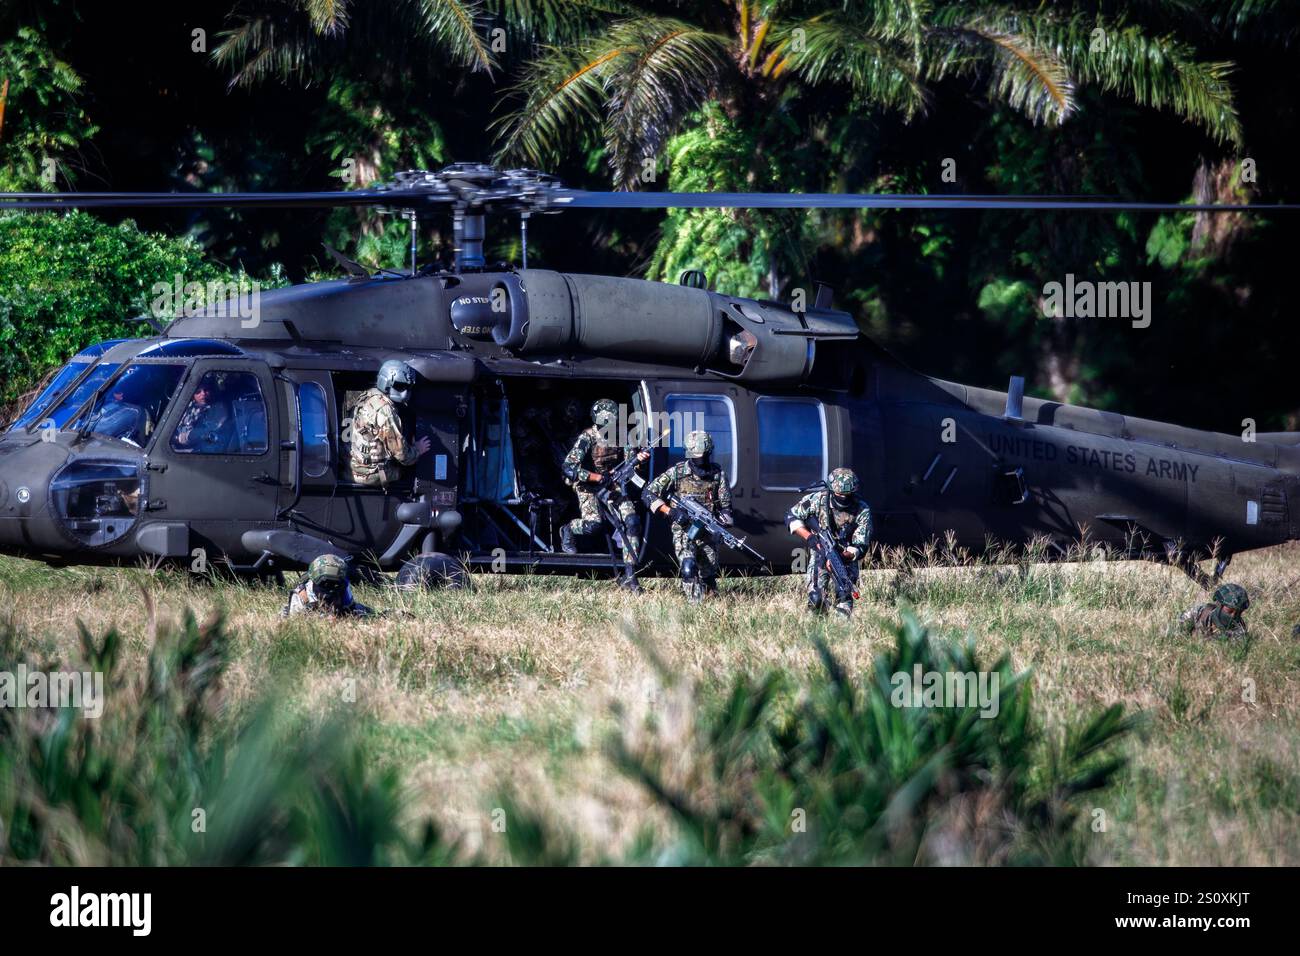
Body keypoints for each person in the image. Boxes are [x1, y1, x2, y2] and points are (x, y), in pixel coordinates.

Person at [560, 398, 649, 590]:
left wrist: (638, 461)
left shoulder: (623, 437)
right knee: (594, 525)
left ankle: (630, 574)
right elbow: (569, 468)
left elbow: (630, 463)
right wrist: (595, 477)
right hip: (588, 486)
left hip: (613, 487)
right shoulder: (587, 438)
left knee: (632, 522)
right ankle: (568, 529)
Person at [644, 429, 732, 602]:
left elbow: (726, 507)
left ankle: (709, 608)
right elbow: (648, 494)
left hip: (707, 532)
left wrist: (723, 521)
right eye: (697, 456)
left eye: (704, 456)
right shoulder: (677, 473)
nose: (701, 460)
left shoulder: (718, 475)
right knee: (688, 566)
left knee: (709, 577)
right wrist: (671, 512)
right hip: (684, 530)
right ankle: (693, 605)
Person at [787, 467, 873, 617]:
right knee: (816, 599)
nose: (843, 498)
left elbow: (861, 545)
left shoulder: (862, 509)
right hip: (820, 550)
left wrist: (840, 557)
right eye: (839, 494)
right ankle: (818, 628)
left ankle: (840, 635)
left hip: (845, 557)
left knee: (844, 595)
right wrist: (810, 537)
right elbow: (791, 516)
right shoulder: (819, 499)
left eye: (847, 495)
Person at [347, 360, 431, 487]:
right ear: (385, 382)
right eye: (399, 386)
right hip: (370, 474)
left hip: (353, 466)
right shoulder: (385, 410)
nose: (404, 393)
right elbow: (403, 455)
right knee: (407, 473)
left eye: (408, 387)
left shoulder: (370, 395)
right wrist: (418, 450)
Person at [282, 554, 374, 618]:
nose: (331, 590)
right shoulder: (303, 597)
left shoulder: (343, 594)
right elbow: (296, 625)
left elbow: (358, 611)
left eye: (335, 584)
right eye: (326, 584)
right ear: (314, 582)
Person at [172, 374, 234, 453]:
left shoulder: (218, 409)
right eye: (198, 391)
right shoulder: (187, 406)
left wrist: (183, 437)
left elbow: (210, 431)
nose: (203, 394)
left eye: (206, 390)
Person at [1179, 582, 1249, 638]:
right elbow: (1178, 637)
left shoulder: (1239, 629)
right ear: (1219, 605)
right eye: (1230, 611)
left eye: (1238, 612)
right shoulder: (1196, 614)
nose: (1233, 615)